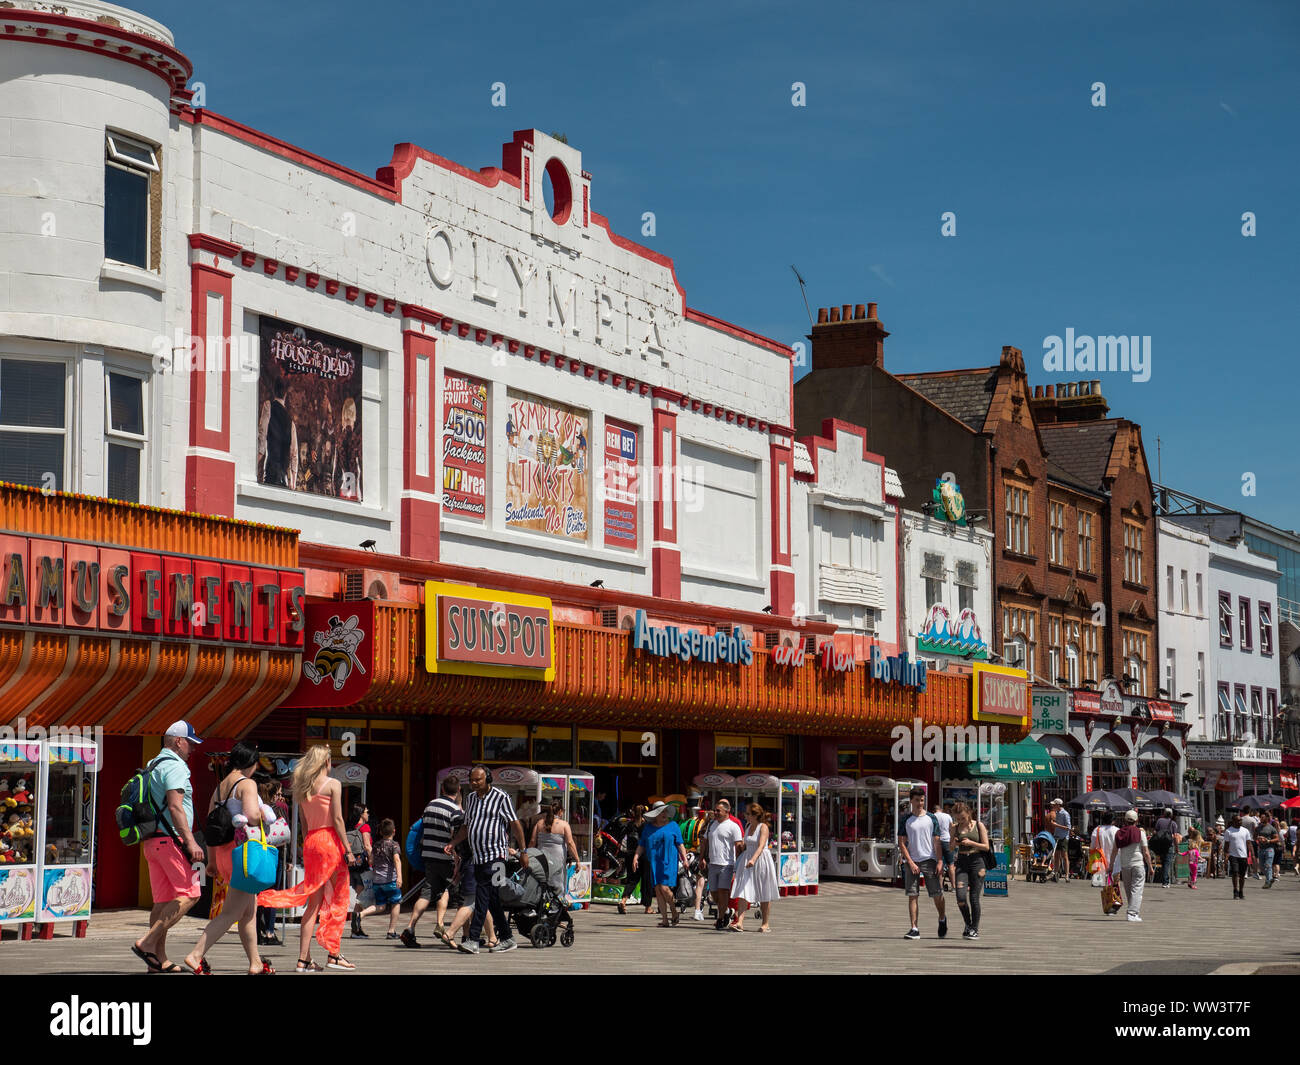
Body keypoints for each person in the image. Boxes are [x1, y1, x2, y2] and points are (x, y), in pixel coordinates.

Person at [257, 745, 358, 971]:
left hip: (312, 841)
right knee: (340, 897)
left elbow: (302, 823)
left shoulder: (302, 788)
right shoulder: (333, 784)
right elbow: (338, 819)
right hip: (329, 840)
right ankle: (333, 953)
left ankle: (304, 959)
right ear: (326, 762)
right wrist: (347, 849)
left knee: (313, 902)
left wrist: (304, 847)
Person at [182, 742, 273, 975]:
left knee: (248, 912)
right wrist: (264, 815)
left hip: (223, 855)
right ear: (250, 764)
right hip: (243, 855)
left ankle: (255, 963)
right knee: (232, 912)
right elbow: (252, 816)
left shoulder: (219, 788)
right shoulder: (247, 783)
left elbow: (213, 826)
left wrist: (212, 861)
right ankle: (195, 954)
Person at [131, 722, 206, 974]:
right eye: (190, 743)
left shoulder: (153, 763)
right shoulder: (174, 766)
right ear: (177, 741)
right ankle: (147, 943)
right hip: (172, 841)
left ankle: (157, 961)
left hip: (153, 841)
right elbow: (175, 807)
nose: (192, 749)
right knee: (191, 894)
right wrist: (190, 841)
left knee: (163, 901)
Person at [445, 766, 526, 955]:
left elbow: (515, 824)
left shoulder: (501, 797)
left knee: (482, 892)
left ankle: (473, 939)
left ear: (488, 779)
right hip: (478, 856)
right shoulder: (471, 799)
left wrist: (523, 851)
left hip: (496, 856)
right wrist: (454, 842)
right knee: (492, 898)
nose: (473, 783)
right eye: (471, 780)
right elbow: (466, 826)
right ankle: (507, 938)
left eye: (478, 780)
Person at [402, 776, 464, 948]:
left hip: (429, 856)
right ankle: (461, 936)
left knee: (426, 894)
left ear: (442, 789)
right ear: (458, 790)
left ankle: (410, 928)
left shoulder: (430, 805)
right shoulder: (456, 811)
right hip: (447, 859)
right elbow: (457, 837)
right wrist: (458, 859)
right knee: (462, 898)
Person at [898, 787, 947, 940]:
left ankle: (942, 918)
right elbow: (902, 843)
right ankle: (914, 928)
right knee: (913, 895)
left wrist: (940, 861)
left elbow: (937, 842)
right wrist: (910, 862)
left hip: (929, 859)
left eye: (922, 800)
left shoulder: (932, 818)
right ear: (911, 800)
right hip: (912, 860)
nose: (920, 803)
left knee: (936, 894)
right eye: (917, 800)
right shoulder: (906, 819)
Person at [633, 801, 688, 927]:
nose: (664, 814)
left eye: (665, 811)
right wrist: (636, 857)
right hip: (654, 862)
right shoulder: (648, 828)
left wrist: (684, 859)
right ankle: (665, 920)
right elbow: (642, 844)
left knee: (664, 887)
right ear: (655, 814)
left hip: (668, 861)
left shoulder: (674, 825)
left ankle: (674, 911)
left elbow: (680, 844)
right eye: (661, 812)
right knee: (658, 890)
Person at [730, 804, 779, 932]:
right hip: (747, 860)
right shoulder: (747, 826)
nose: (745, 816)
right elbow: (746, 844)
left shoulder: (763, 827)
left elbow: (761, 846)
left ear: (755, 815)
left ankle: (765, 923)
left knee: (764, 891)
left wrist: (753, 859)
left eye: (747, 814)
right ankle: (740, 922)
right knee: (742, 889)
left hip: (761, 860)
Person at [950, 802, 991, 939]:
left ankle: (974, 928)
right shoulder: (954, 828)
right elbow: (950, 848)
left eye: (962, 818)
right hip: (962, 862)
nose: (960, 821)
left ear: (968, 813)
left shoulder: (979, 825)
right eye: (958, 818)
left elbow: (986, 847)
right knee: (960, 897)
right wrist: (954, 843)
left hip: (977, 861)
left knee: (974, 897)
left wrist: (971, 843)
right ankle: (968, 924)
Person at [355, 818, 403, 937]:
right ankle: (391, 931)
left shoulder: (376, 845)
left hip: (377, 880)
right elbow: (397, 860)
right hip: (390, 880)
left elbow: (371, 860)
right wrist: (399, 877)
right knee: (396, 903)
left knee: (380, 906)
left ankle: (361, 914)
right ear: (394, 831)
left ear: (381, 832)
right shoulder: (394, 845)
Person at [702, 800, 742, 930]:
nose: (715, 813)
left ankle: (720, 919)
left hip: (727, 864)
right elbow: (705, 841)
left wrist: (738, 864)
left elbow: (738, 846)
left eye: (718, 811)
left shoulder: (733, 826)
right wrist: (701, 857)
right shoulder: (711, 825)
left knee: (723, 891)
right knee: (713, 893)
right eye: (715, 810)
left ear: (727, 811)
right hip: (712, 863)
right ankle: (725, 912)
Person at [1109, 809, 1153, 923]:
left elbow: (1114, 851)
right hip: (1138, 864)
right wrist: (1151, 867)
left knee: (1129, 890)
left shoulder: (1118, 833)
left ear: (1125, 820)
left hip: (1125, 865)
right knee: (1137, 889)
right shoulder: (1140, 833)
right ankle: (1132, 913)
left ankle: (1132, 911)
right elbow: (1146, 852)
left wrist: (1111, 865)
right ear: (1136, 820)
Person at [531, 799, 581, 894]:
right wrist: (577, 860)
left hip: (541, 859)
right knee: (558, 886)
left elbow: (533, 842)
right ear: (560, 811)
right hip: (558, 860)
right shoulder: (564, 825)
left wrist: (527, 855)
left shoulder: (539, 823)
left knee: (542, 883)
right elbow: (570, 843)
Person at [617, 805, 651, 916]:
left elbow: (621, 837)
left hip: (630, 854)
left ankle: (623, 901)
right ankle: (648, 907)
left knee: (632, 879)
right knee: (646, 880)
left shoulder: (629, 825)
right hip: (644, 854)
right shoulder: (646, 825)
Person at [346, 803, 372, 938]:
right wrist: (373, 859)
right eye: (366, 812)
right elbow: (367, 846)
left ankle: (356, 928)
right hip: (363, 866)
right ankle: (355, 929)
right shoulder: (364, 827)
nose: (368, 814)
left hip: (353, 865)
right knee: (362, 899)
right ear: (361, 814)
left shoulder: (350, 827)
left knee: (359, 896)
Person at [1090, 810, 1122, 914]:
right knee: (1116, 882)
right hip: (1116, 859)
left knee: (1105, 884)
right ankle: (1115, 902)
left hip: (1101, 860)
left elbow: (1093, 846)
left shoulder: (1097, 829)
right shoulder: (1117, 830)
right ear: (1113, 820)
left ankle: (1108, 904)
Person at [681, 805, 710, 920]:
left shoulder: (700, 828)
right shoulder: (707, 828)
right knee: (703, 884)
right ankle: (699, 909)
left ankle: (697, 909)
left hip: (696, 857)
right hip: (708, 859)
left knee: (699, 884)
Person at [1223, 814, 1252, 899]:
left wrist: (1252, 854)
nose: (1240, 822)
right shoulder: (1229, 831)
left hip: (1243, 855)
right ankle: (1235, 890)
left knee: (1242, 875)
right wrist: (1226, 855)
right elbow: (1226, 845)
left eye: (1241, 820)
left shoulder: (1245, 831)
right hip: (1233, 855)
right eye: (1238, 820)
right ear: (1233, 821)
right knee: (1235, 873)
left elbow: (1249, 843)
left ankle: (1241, 891)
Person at [1151, 807, 1178, 887]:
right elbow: (1175, 836)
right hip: (1169, 845)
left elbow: (1155, 832)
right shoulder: (1173, 823)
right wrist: (1177, 847)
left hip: (1160, 845)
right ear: (1171, 815)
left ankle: (1164, 880)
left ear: (1164, 813)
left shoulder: (1159, 821)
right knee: (1167, 863)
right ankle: (1165, 882)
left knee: (1163, 862)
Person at [1255, 813, 1282, 889]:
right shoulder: (1258, 828)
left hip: (1269, 849)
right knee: (1261, 867)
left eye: (1263, 817)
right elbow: (1254, 837)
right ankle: (1269, 879)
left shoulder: (1271, 828)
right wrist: (1258, 838)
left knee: (1268, 865)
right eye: (1260, 817)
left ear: (1267, 818)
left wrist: (1268, 840)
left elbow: (1277, 839)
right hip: (1261, 849)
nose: (1261, 818)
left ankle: (1268, 881)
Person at [932, 802, 955, 891]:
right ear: (940, 809)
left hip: (937, 841)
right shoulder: (947, 816)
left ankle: (940, 887)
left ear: (934, 810)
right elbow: (951, 827)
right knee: (951, 864)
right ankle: (953, 886)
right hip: (947, 840)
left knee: (939, 863)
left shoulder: (932, 816)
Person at [1049, 798, 1071, 882]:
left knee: (1064, 856)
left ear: (1058, 805)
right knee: (1056, 855)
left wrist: (1056, 825)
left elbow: (1068, 827)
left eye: (1054, 805)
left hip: (1063, 837)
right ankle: (1055, 873)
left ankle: (1067, 875)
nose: (1052, 806)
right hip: (1056, 836)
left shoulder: (1065, 814)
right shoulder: (1056, 813)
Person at [1185, 825, 1203, 890]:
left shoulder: (1190, 841)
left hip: (1190, 859)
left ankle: (1190, 882)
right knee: (1194, 873)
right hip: (1195, 860)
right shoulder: (1198, 842)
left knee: (1191, 872)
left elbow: (1188, 849)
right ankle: (1193, 884)